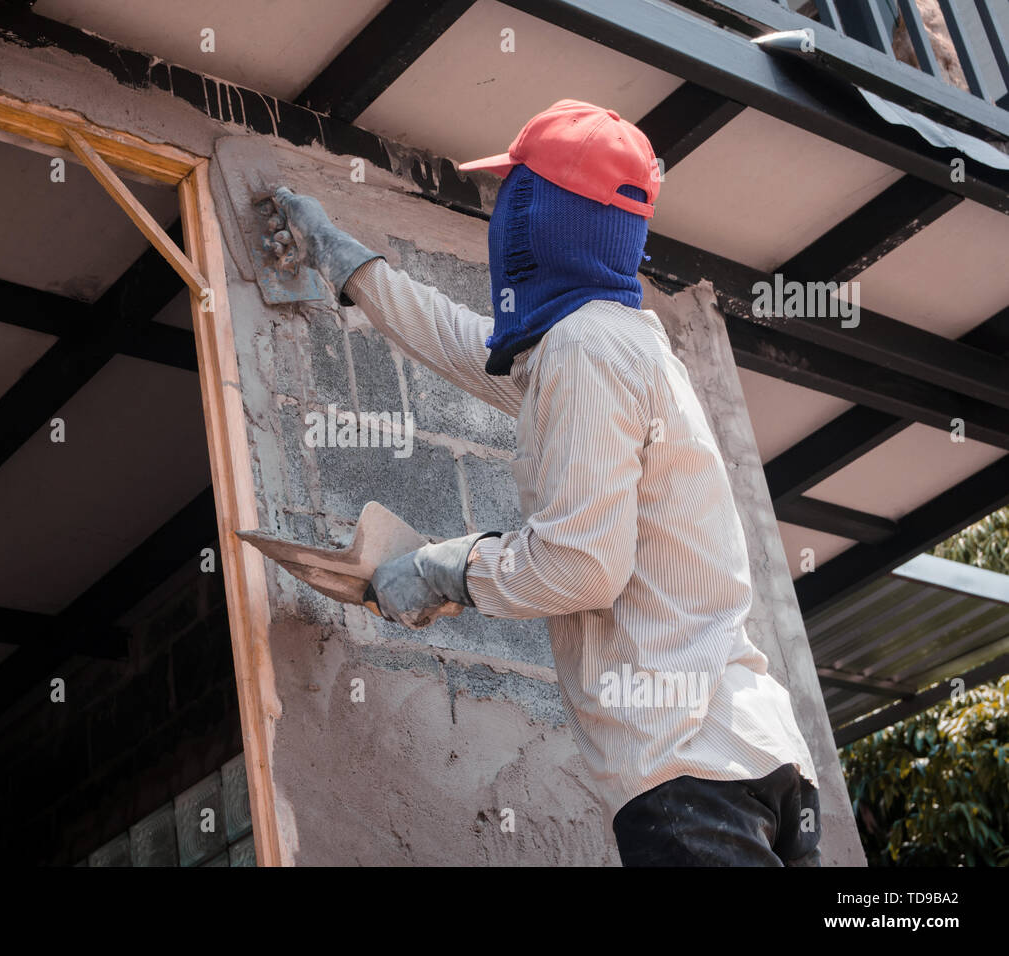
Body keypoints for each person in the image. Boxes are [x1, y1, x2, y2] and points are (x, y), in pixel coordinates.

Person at [271, 99, 822, 866]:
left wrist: (439, 569)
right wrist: (341, 256)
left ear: (543, 217)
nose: (501, 218)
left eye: (512, 198)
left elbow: (583, 565)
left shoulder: (584, 351)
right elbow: (463, 345)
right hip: (754, 759)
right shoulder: (615, 345)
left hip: (688, 774)